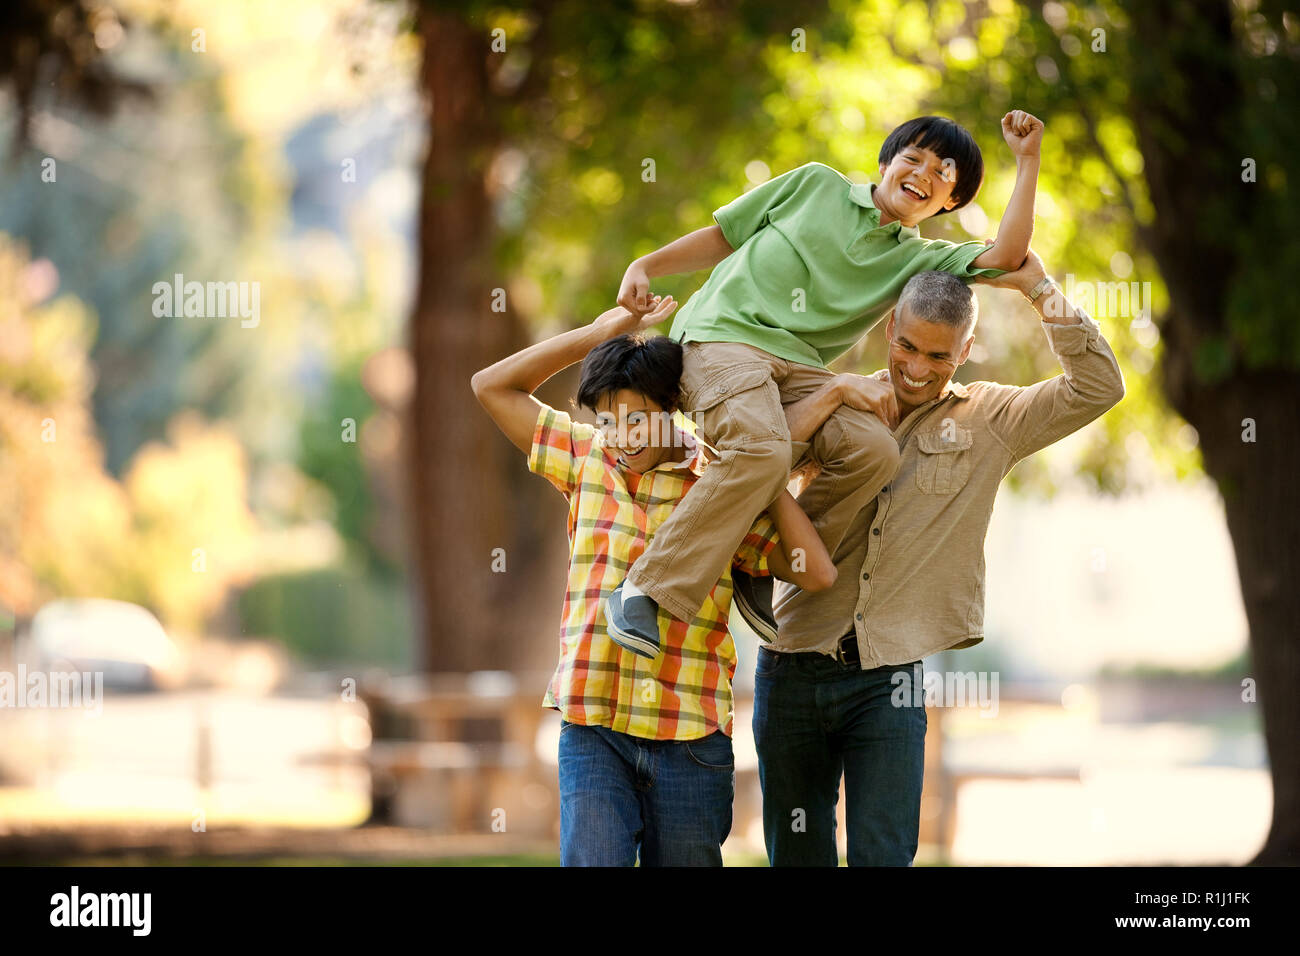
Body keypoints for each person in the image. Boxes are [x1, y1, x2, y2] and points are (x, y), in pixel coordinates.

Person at [605, 112, 1044, 659]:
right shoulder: (815, 184)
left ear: (950, 202)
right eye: (913, 158)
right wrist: (646, 264)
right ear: (885, 163)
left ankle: (762, 554)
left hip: (799, 367)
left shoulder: (919, 259)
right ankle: (644, 589)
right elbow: (724, 236)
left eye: (942, 173)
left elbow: (1007, 255)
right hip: (722, 340)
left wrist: (1027, 160)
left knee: (874, 451)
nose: (923, 174)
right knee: (762, 449)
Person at [752, 252, 1126, 866]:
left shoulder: (991, 419)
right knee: (797, 856)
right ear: (889, 327)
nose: (918, 369)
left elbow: (1098, 386)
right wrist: (832, 395)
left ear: (966, 349)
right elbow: (754, 460)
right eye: (908, 347)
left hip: (889, 680)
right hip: (791, 665)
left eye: (939, 356)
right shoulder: (836, 400)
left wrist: (1038, 287)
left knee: (884, 854)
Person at [469, 293, 835, 866]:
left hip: (689, 736)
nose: (622, 436)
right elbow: (491, 386)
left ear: (673, 406)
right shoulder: (585, 459)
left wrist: (759, 467)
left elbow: (814, 571)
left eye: (636, 419)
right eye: (607, 420)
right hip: (595, 728)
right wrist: (596, 335)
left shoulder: (719, 484)